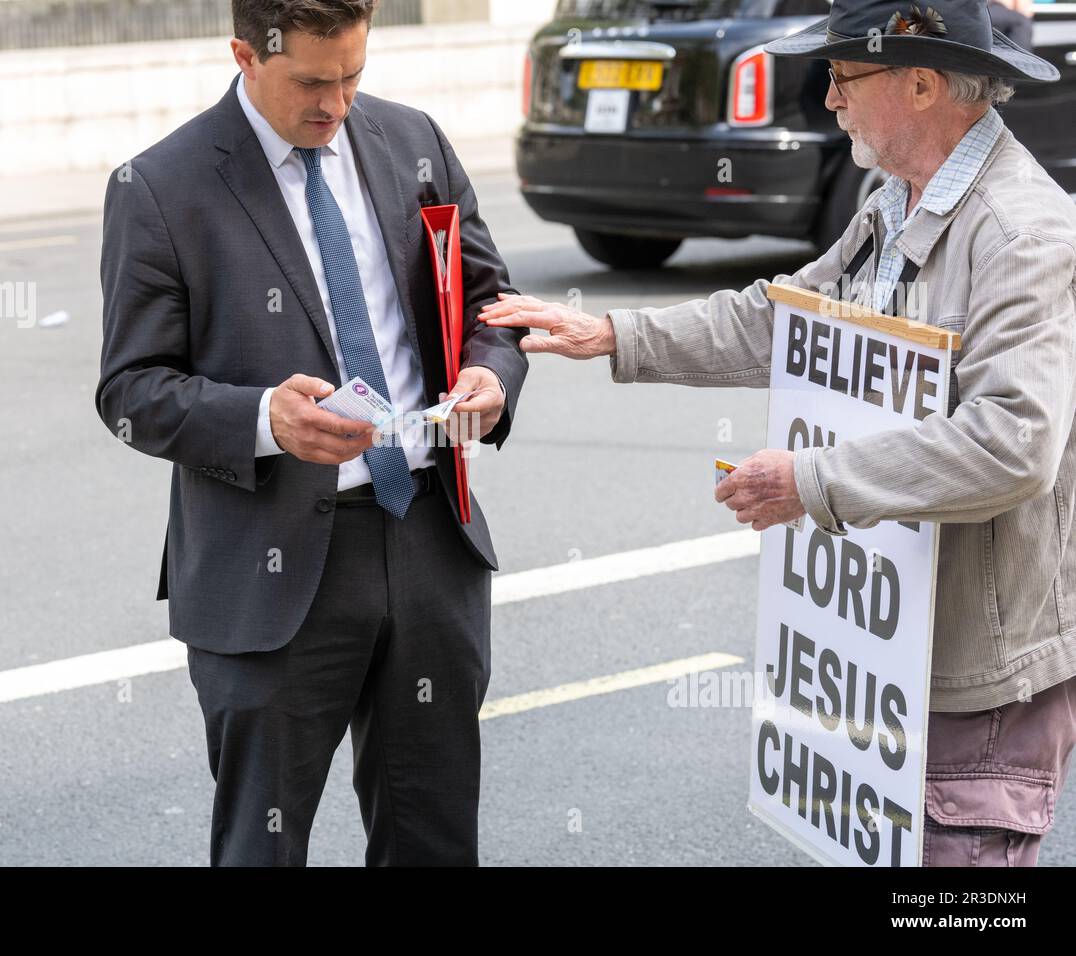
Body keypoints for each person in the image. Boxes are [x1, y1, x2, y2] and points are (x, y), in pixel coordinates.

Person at [481, 0, 1076, 866]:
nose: (827, 99)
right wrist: (614, 334)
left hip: (973, 670)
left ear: (921, 83)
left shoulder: (1021, 232)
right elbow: (788, 318)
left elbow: (1013, 441)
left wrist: (812, 481)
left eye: (842, 77)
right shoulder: (898, 199)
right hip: (899, 648)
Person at [95, 0, 528, 865]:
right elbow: (130, 391)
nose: (336, 103)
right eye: (311, 83)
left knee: (435, 837)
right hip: (270, 571)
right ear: (246, 55)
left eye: (353, 76)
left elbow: (490, 302)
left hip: (429, 541)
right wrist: (263, 420)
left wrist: (491, 373)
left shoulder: (414, 142)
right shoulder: (161, 187)